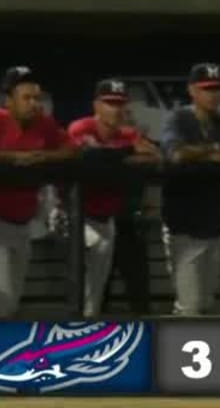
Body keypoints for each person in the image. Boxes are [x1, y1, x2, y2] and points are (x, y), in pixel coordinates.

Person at [0, 66, 75, 317]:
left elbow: (70, 150)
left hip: (22, 225)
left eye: (37, 97)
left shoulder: (44, 124)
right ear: (8, 101)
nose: (33, 103)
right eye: (26, 98)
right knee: (1, 304)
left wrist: (42, 156)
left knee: (7, 305)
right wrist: (16, 158)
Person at [161, 62, 220, 316]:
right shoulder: (178, 118)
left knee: (206, 303)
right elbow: (176, 154)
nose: (212, 94)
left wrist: (201, 154)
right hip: (184, 223)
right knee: (189, 306)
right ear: (192, 90)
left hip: (216, 222)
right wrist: (215, 150)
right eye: (206, 89)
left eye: (216, 89)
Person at [65, 78, 160, 317]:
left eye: (119, 104)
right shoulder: (82, 127)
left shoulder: (129, 133)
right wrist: (127, 155)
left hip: (118, 218)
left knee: (137, 290)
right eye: (109, 103)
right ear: (96, 105)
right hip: (81, 217)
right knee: (91, 294)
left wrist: (117, 158)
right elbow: (91, 157)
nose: (115, 109)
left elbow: (155, 157)